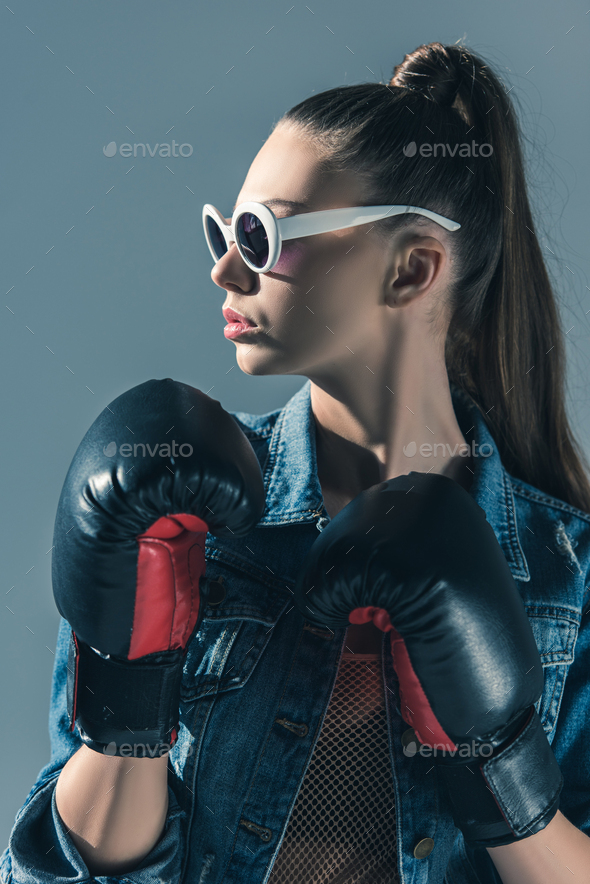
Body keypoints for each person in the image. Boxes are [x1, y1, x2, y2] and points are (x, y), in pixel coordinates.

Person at [2, 40, 590, 884]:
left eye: (260, 234)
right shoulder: (176, 516)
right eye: (221, 228)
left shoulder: (568, 570)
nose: (223, 267)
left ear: (412, 268)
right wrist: (125, 695)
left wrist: (500, 764)